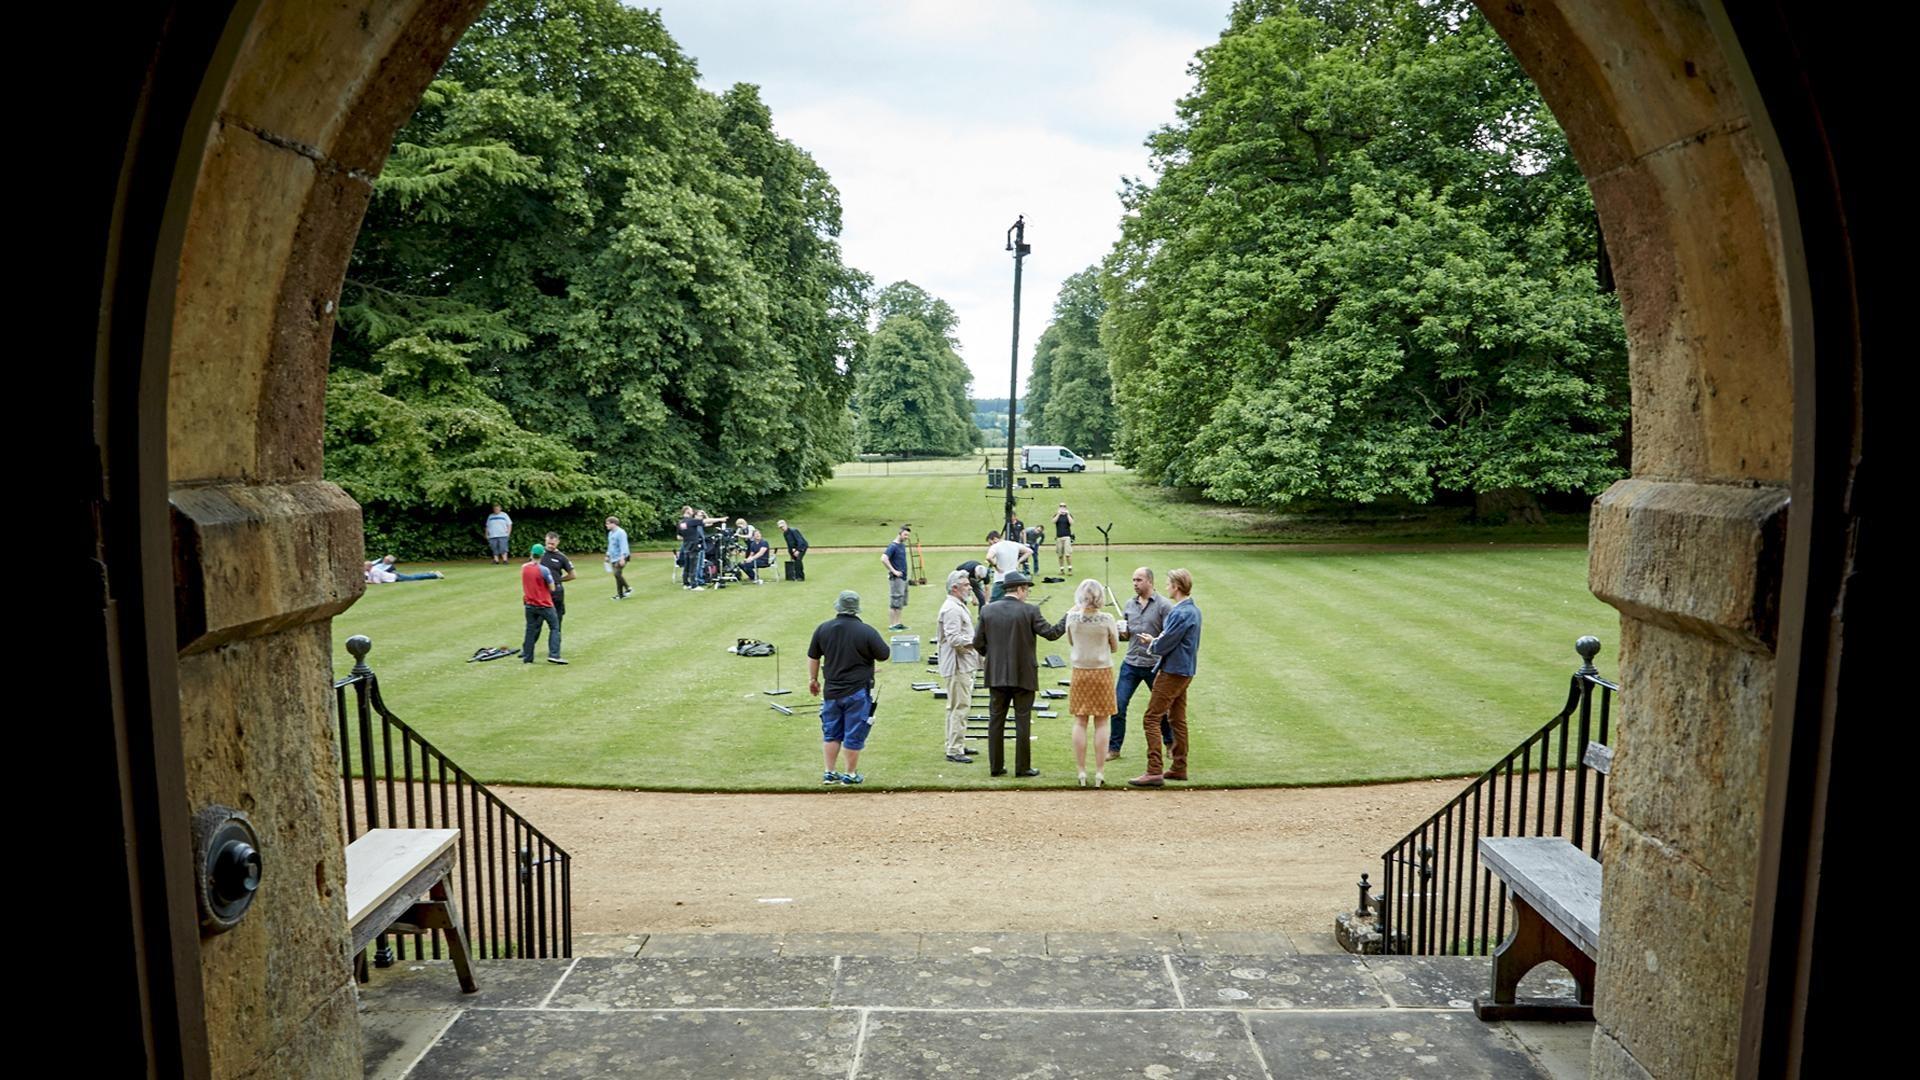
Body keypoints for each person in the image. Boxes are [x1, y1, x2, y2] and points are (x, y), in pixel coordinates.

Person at [971, 570, 1065, 778]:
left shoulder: (987, 610)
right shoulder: (1030, 611)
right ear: (1021, 589)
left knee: (996, 721)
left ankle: (996, 767)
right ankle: (1022, 767)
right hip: (1024, 675)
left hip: (996, 675)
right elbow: (1051, 633)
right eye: (1027, 589)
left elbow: (977, 642)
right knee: (1022, 722)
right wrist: (1069, 617)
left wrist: (992, 656)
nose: (1028, 593)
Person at [807, 590, 891, 786]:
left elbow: (813, 656)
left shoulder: (823, 629)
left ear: (838, 607)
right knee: (854, 732)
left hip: (831, 691)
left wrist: (813, 679)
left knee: (831, 733)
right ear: (856, 609)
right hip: (857, 691)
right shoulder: (866, 631)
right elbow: (884, 654)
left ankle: (829, 772)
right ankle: (850, 774)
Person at [1129, 568, 1202, 787]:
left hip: (1172, 671)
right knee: (1177, 718)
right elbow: (1173, 638)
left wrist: (1151, 642)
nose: (1166, 587)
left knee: (1151, 718)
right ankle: (1179, 766)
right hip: (1186, 670)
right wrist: (1158, 639)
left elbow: (1165, 643)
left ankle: (1154, 770)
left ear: (1176, 586)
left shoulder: (1180, 613)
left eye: (1169, 583)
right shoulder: (1193, 610)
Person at [1108, 567, 1173, 761]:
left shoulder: (1164, 606)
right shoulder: (1129, 604)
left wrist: (1154, 640)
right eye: (1133, 580)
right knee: (1118, 705)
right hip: (1131, 663)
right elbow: (1127, 636)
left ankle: (1170, 744)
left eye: (1139, 580)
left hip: (1154, 664)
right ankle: (1114, 748)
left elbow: (1170, 635)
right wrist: (1122, 632)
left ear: (1150, 581)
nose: (1135, 583)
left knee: (1161, 708)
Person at [1064, 578, 1120, 787]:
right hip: (1102, 672)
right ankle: (1099, 771)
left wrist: (1077, 607)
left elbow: (1071, 641)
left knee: (1080, 721)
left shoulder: (1072, 618)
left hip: (1080, 671)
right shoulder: (1107, 619)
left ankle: (1081, 771)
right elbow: (1114, 647)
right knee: (1102, 722)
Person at [936, 570, 982, 765]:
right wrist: (977, 641)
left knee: (956, 706)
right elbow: (954, 639)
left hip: (961, 663)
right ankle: (954, 749)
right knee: (960, 707)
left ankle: (956, 743)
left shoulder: (957, 605)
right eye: (965, 585)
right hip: (957, 664)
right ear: (954, 588)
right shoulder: (952, 609)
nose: (970, 587)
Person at [520, 543, 567, 665]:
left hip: (529, 604)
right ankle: (554, 655)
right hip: (544, 604)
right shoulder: (544, 570)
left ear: (531, 554)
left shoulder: (524, 567)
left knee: (530, 629)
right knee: (555, 627)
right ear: (542, 555)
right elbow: (552, 588)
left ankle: (528, 657)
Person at [983, 530, 1030, 602]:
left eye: (990, 543)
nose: (990, 545)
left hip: (1000, 579)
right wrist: (1018, 562)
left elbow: (988, 557)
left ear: (995, 539)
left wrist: (996, 566)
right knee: (1014, 601)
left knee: (994, 602)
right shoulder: (1014, 544)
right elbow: (1029, 551)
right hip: (1013, 579)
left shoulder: (995, 547)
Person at [540, 532, 576, 624]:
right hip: (540, 590)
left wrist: (558, 580)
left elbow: (573, 575)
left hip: (556, 591)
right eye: (548, 543)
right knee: (537, 620)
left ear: (558, 542)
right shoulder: (539, 554)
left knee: (556, 620)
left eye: (553, 544)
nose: (550, 546)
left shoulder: (561, 557)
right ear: (545, 540)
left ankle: (556, 637)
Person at [881, 526, 912, 630]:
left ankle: (898, 623)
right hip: (896, 578)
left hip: (903, 577)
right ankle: (892, 625)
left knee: (900, 601)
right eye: (905, 535)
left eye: (908, 535)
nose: (907, 537)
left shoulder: (902, 546)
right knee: (895, 601)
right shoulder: (893, 546)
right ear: (900, 534)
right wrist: (893, 571)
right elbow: (884, 558)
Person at [675, 506, 705, 589]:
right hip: (693, 546)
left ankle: (686, 583)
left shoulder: (681, 523)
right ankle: (694, 585)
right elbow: (706, 521)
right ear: (687, 511)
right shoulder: (691, 521)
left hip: (686, 546)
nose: (693, 512)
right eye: (691, 510)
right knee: (693, 566)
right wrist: (720, 519)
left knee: (687, 566)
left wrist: (687, 537)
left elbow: (679, 537)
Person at [605, 516, 631, 600]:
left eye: (608, 524)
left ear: (614, 524)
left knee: (616, 573)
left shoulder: (621, 532)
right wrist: (607, 555)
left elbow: (624, 545)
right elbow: (610, 546)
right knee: (617, 576)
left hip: (621, 557)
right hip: (613, 557)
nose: (606, 525)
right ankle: (620, 595)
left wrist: (622, 558)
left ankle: (628, 588)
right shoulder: (610, 533)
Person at [374, 554, 444, 581]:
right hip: (391, 576)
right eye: (385, 558)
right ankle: (429, 573)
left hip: (396, 576)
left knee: (413, 578)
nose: (385, 560)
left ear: (390, 562)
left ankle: (434, 575)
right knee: (413, 576)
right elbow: (370, 564)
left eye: (388, 560)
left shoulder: (391, 567)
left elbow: (380, 572)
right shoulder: (379, 560)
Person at [1053, 503, 1076, 574]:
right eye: (1061, 506)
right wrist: (1058, 514)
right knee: (1060, 555)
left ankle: (1070, 569)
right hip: (1059, 537)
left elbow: (1071, 522)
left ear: (1066, 507)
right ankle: (1061, 569)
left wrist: (1068, 514)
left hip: (1067, 537)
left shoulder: (1068, 515)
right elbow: (1053, 521)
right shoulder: (1057, 515)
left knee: (1067, 554)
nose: (1062, 507)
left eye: (1064, 506)